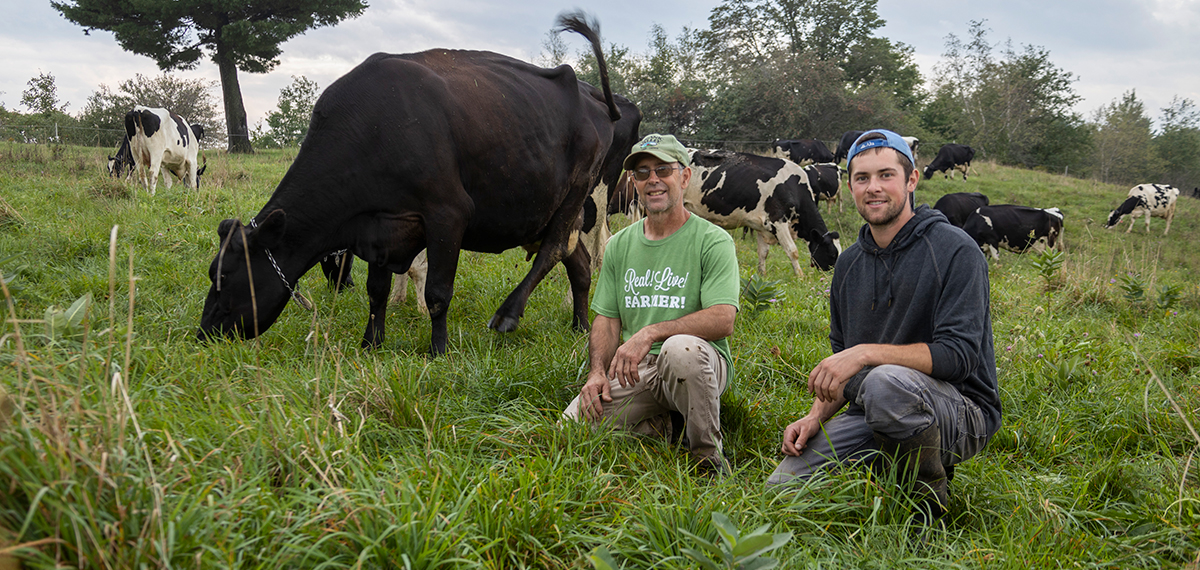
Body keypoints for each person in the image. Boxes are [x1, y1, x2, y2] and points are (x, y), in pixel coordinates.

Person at [767, 129, 1001, 523]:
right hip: (873, 405)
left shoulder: (956, 250)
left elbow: (958, 357)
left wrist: (864, 355)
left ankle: (925, 510)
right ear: (850, 186)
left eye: (886, 175)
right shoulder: (848, 264)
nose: (873, 188)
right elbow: (844, 363)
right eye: (862, 178)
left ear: (911, 180)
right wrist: (813, 418)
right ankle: (890, 459)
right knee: (781, 490)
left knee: (884, 381)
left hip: (962, 411)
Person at [562, 133, 740, 475]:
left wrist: (651, 333)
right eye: (642, 173)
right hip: (634, 370)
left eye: (663, 169)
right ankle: (665, 426)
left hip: (696, 363)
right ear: (633, 182)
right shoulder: (619, 245)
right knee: (572, 431)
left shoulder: (713, 240)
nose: (653, 180)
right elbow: (607, 320)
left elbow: (723, 319)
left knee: (679, 348)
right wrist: (597, 372)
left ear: (684, 177)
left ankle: (707, 457)